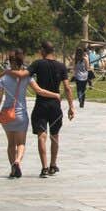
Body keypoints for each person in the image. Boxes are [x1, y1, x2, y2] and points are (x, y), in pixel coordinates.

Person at [28, 43, 74, 178]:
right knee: (55, 136)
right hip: (55, 105)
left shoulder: (37, 64)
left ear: (43, 50)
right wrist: (71, 106)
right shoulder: (61, 66)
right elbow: (67, 87)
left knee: (42, 136)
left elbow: (26, 75)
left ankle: (44, 167)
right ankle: (53, 165)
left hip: (41, 104)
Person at [0, 50, 33, 179]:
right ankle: (18, 161)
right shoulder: (26, 76)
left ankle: (12, 169)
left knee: (10, 144)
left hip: (7, 114)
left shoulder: (4, 78)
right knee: (21, 143)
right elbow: (37, 89)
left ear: (10, 61)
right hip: (21, 114)